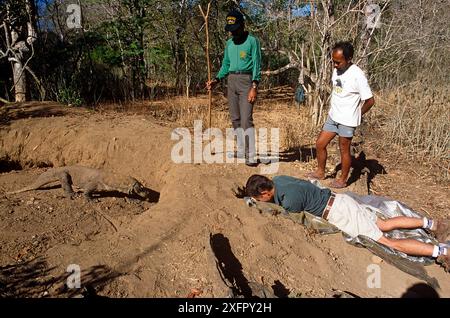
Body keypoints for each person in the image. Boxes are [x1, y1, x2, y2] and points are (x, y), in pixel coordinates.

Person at [244, 174, 450, 271]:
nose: (263, 201)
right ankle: (432, 224)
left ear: (264, 192)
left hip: (340, 214)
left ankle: (441, 252)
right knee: (384, 225)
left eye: (260, 198)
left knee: (389, 243)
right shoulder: (279, 179)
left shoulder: (289, 200)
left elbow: (297, 216)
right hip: (341, 200)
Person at [307, 41, 375, 188]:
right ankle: (320, 172)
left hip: (347, 120)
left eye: (338, 62)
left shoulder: (357, 75)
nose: (335, 65)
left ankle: (343, 180)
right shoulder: (336, 70)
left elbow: (370, 100)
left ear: (349, 59)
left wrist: (357, 114)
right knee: (320, 144)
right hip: (334, 116)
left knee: (344, 150)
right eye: (333, 61)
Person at [206, 9, 261, 167]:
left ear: (242, 25)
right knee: (235, 119)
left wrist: (254, 86)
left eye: (235, 29)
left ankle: (251, 155)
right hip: (231, 81)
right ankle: (242, 149)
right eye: (230, 30)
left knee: (246, 120)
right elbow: (226, 64)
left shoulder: (252, 41)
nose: (233, 33)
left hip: (247, 81)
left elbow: (257, 64)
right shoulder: (229, 43)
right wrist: (216, 80)